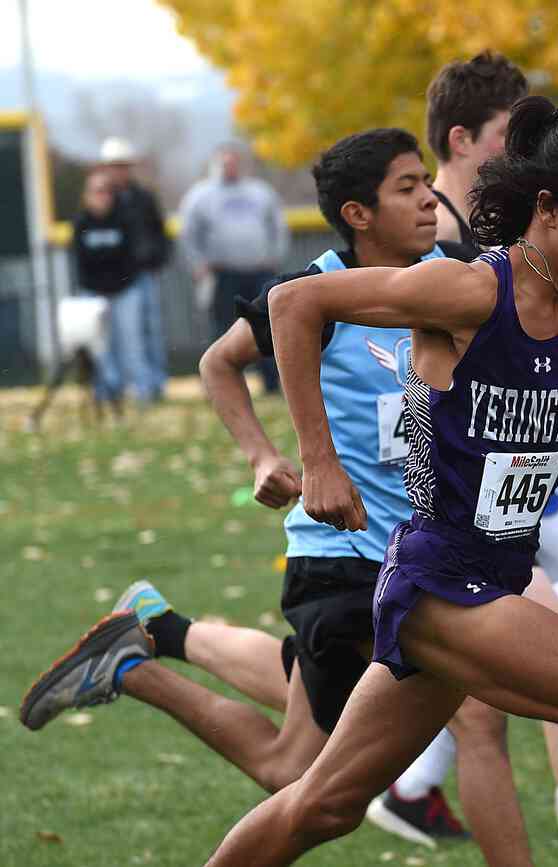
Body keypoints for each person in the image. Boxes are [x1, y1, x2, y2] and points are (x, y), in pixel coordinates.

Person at [202, 96, 558, 867]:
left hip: (498, 579)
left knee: (322, 805)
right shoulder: (472, 292)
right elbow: (294, 303)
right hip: (439, 578)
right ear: (549, 209)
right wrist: (317, 460)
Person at [19, 127, 479, 849]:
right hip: (346, 555)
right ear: (358, 214)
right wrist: (264, 455)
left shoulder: (446, 277)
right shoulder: (311, 289)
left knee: (315, 696)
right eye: (407, 188)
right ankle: (135, 671)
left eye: (427, 183)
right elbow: (215, 363)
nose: (429, 200)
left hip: (407, 555)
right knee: (296, 771)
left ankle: (155, 624)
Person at [181, 143, 290, 392]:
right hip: (222, 273)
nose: (229, 167)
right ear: (215, 165)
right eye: (224, 163)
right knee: (221, 329)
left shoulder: (260, 192)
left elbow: (278, 226)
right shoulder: (200, 195)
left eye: (233, 162)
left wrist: (275, 256)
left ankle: (271, 384)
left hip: (259, 270)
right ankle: (220, 385)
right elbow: (189, 234)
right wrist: (198, 263)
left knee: (267, 327)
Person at [425, 51, 529, 258]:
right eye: (506, 132)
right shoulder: (437, 231)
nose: (519, 144)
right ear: (461, 140)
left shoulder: (494, 223)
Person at [100, 137, 171, 402]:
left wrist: (157, 261)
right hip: (115, 277)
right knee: (116, 333)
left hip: (143, 272)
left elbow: (158, 231)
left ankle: (154, 384)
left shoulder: (143, 197)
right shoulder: (103, 200)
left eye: (122, 166)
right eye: (114, 166)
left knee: (150, 328)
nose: (119, 171)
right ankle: (118, 386)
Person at [70, 169, 139, 408]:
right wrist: (96, 291)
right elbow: (80, 263)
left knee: (130, 342)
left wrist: (119, 286)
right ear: (87, 195)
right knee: (100, 347)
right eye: (97, 191)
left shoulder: (123, 218)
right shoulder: (81, 223)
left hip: (124, 291)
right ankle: (107, 393)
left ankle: (138, 392)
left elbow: (131, 259)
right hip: (94, 294)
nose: (103, 196)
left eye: (107, 191)